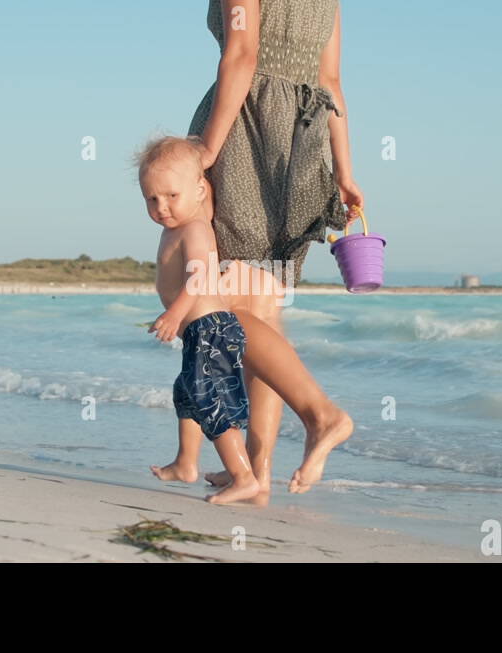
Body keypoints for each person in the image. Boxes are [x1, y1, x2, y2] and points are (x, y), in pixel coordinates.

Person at [186, 0, 365, 493]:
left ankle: (321, 415)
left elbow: (242, 56)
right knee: (262, 311)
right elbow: (331, 82)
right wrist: (344, 172)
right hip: (302, 143)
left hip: (247, 131)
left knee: (227, 306)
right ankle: (257, 468)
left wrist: (205, 151)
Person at [135, 135, 353, 501]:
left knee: (211, 397)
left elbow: (201, 275)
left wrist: (174, 312)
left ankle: (246, 474)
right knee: (188, 392)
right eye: (152, 199)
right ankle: (187, 462)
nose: (162, 207)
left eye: (172, 196)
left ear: (201, 189)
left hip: (209, 327)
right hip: (197, 329)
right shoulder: (176, 225)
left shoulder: (196, 228)